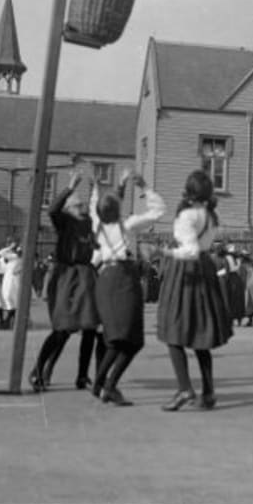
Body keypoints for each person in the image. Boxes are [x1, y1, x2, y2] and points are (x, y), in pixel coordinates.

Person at [156, 169, 232, 411]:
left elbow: (189, 250)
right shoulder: (210, 215)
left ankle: (184, 388)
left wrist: (163, 252)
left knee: (173, 330)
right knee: (201, 336)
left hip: (186, 273)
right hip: (205, 271)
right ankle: (208, 392)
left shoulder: (188, 215)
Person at [88, 169, 166, 406]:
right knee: (133, 340)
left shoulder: (96, 224)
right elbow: (158, 211)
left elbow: (100, 204)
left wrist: (113, 188)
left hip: (105, 279)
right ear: (118, 209)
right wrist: (144, 187)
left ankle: (102, 383)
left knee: (115, 337)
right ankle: (107, 384)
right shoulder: (128, 225)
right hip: (124, 279)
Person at [29, 170, 104, 392]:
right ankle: (38, 370)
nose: (82, 209)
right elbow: (52, 209)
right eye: (77, 206)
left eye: (83, 206)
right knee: (62, 328)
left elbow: (98, 213)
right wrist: (70, 187)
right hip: (66, 277)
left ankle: (82, 376)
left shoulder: (88, 222)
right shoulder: (63, 222)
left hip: (86, 276)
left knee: (90, 328)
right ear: (69, 209)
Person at [0, 243, 22, 330]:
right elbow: (1, 253)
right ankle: (10, 321)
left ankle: (8, 321)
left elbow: (1, 253)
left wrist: (10, 248)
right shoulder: (12, 259)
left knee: (11, 297)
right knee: (9, 298)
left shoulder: (15, 257)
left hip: (13, 280)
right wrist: (10, 247)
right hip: (9, 280)